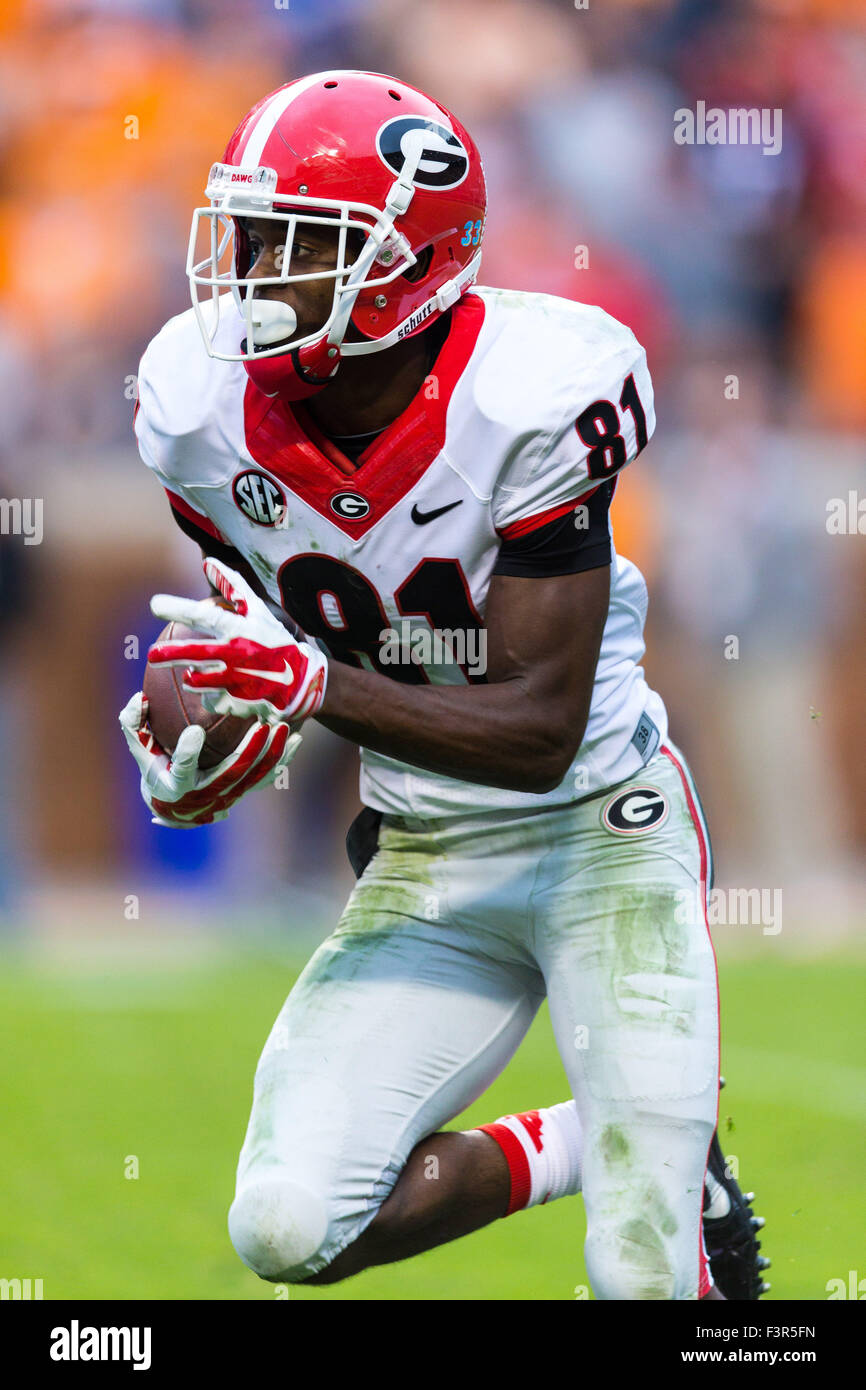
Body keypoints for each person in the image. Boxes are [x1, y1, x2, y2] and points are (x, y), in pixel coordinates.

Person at [119, 70, 768, 1299]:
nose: (249, 274)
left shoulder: (530, 392)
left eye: (293, 245)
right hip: (428, 849)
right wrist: (188, 734)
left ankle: (659, 1156)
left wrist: (308, 689)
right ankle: (601, 1136)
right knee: (286, 1225)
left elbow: (535, 728)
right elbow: (224, 631)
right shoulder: (198, 406)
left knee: (644, 1281)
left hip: (600, 833)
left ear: (405, 265)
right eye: (245, 236)